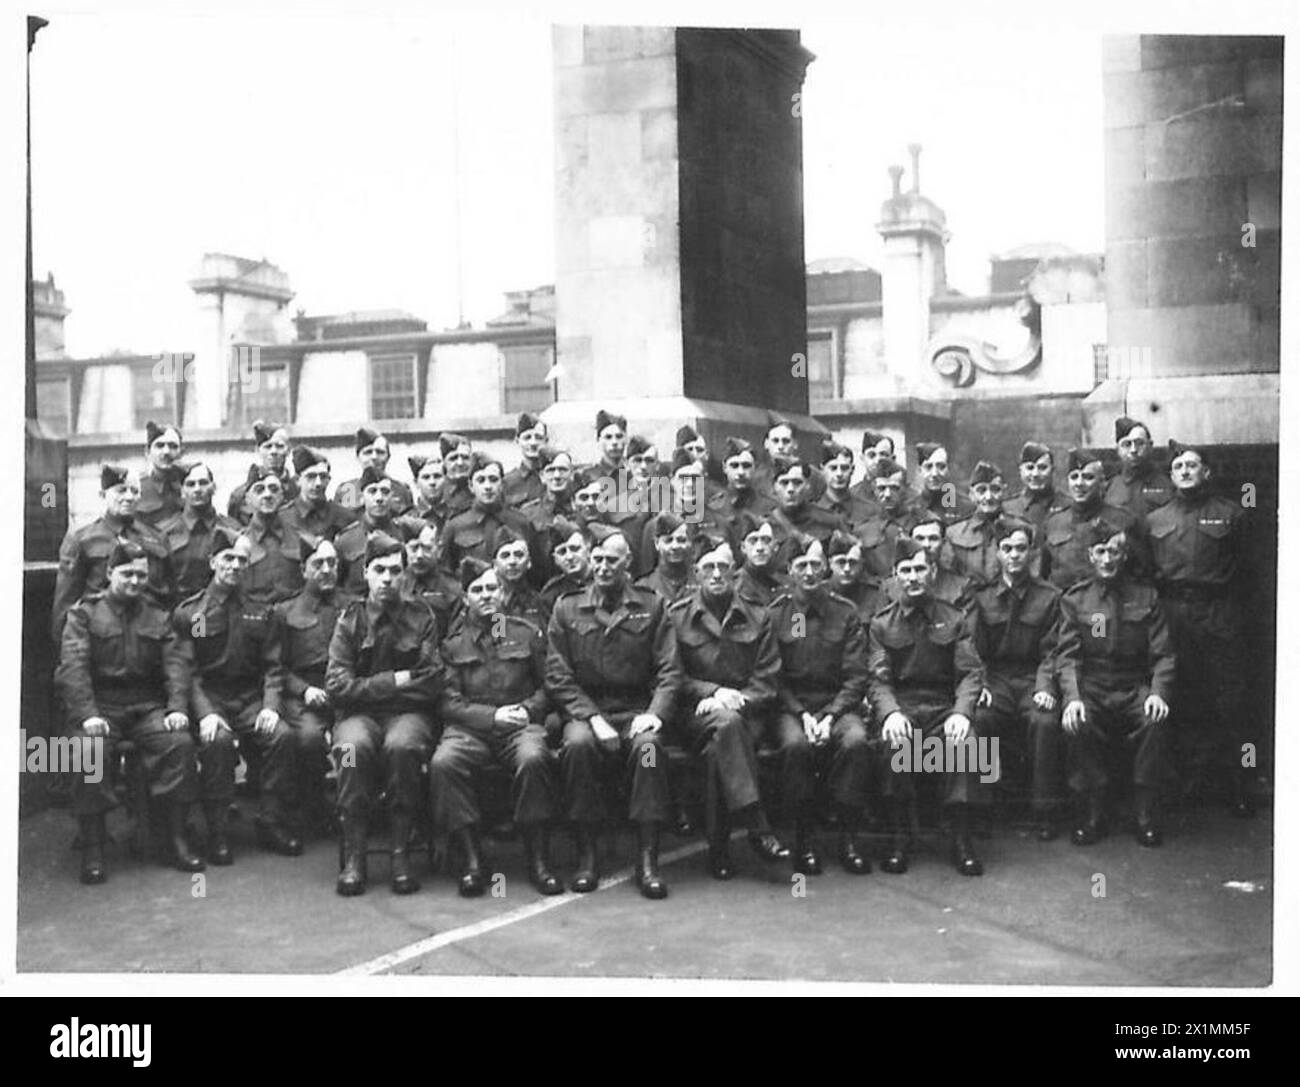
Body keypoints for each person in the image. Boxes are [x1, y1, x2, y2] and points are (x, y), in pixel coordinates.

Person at [55, 541, 204, 883]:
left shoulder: (158, 615)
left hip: (147, 706)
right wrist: (87, 714)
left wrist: (176, 708)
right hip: (101, 706)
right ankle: (93, 844)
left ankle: (176, 838)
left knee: (179, 743)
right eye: (128, 574)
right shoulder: (84, 614)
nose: (136, 582)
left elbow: (176, 666)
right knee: (86, 752)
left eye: (141, 575)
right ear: (110, 573)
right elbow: (73, 667)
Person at [545, 530, 681, 899]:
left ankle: (648, 857)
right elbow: (557, 675)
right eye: (599, 559)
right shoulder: (567, 607)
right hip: (586, 711)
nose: (604, 567)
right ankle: (587, 854)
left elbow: (669, 669)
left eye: (613, 561)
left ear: (628, 565)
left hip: (637, 708)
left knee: (649, 750)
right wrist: (592, 718)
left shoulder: (652, 606)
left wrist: (655, 714)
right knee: (577, 747)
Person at [432, 558, 563, 896]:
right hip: (470, 730)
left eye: (492, 588)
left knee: (534, 758)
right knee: (444, 763)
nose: (486, 595)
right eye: (477, 590)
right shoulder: (452, 644)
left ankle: (538, 859)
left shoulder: (525, 633)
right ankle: (474, 859)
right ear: (465, 598)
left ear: (504, 593)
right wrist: (491, 718)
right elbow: (448, 702)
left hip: (520, 727)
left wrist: (526, 710)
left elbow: (549, 685)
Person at [327, 532, 445, 896]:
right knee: (352, 750)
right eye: (379, 569)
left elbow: (432, 680)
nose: (387, 578)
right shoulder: (350, 619)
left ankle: (399, 854)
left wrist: (376, 687)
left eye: (395, 570)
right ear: (365, 573)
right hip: (357, 717)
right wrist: (395, 680)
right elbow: (336, 685)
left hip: (409, 714)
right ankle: (356, 857)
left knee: (403, 747)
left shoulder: (422, 615)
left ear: (405, 574)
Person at [172, 528, 298, 864]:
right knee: (218, 743)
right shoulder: (192, 613)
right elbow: (188, 670)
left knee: (282, 736)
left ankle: (270, 820)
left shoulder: (260, 611)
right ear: (213, 561)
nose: (235, 565)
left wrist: (271, 706)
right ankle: (217, 831)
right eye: (228, 558)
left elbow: (273, 665)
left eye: (242, 560)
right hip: (211, 699)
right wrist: (205, 713)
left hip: (249, 698)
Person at [668, 541, 788, 879]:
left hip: (748, 715)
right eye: (708, 568)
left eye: (723, 567)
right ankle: (756, 824)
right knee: (724, 727)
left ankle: (718, 851)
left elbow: (768, 676)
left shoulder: (759, 615)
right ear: (696, 573)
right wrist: (711, 692)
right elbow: (670, 675)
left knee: (718, 745)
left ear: (735, 573)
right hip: (693, 715)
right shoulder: (677, 617)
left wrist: (738, 699)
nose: (717, 574)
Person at [1146, 439, 1254, 816]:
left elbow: (1249, 571)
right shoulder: (1155, 520)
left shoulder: (1232, 514)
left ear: (1206, 472)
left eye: (1193, 465)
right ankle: (1185, 786)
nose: (1186, 472)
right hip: (1174, 615)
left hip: (1219, 614)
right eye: (1179, 467)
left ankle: (1241, 784)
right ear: (1171, 475)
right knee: (1180, 699)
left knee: (1230, 702)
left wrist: (1232, 616)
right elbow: (1148, 574)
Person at [869, 538, 986, 876]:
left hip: (942, 706)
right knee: (894, 743)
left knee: (967, 742)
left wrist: (962, 713)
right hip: (903, 706)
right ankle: (900, 837)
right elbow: (878, 679)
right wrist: (890, 712)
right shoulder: (881, 624)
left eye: (920, 568)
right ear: (894, 575)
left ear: (933, 572)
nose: (913, 577)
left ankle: (961, 838)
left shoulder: (955, 618)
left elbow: (970, 673)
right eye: (905, 570)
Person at [1059, 524, 1175, 847]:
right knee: (1076, 722)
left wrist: (1157, 693)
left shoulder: (1146, 595)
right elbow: (1067, 657)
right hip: (1092, 685)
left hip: (1132, 684)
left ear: (1124, 555)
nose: (1107, 558)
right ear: (1090, 556)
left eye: (1113, 551)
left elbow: (1164, 655)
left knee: (1154, 720)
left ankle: (1144, 813)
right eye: (1100, 551)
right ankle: (1093, 811)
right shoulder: (1075, 599)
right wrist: (1072, 697)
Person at [768, 539, 873, 874]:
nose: (810, 572)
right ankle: (804, 839)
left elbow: (856, 675)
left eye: (815, 564)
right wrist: (801, 715)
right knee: (795, 747)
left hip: (836, 705)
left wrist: (830, 715)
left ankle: (848, 837)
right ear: (789, 572)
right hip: (791, 707)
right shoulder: (776, 614)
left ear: (826, 567)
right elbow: (773, 676)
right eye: (801, 566)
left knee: (855, 742)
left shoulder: (845, 612)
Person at [969, 521, 1067, 839]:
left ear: (1032, 552)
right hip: (995, 678)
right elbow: (974, 651)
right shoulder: (982, 597)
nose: (1014, 555)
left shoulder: (1050, 597)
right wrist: (980, 685)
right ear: (997, 553)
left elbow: (1054, 651)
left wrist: (1045, 687)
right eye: (1007, 548)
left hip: (1032, 677)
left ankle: (1044, 811)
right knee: (980, 718)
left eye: (1021, 548)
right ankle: (982, 807)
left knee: (1045, 722)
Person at [274, 537, 347, 838]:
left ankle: (356, 804)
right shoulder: (285, 611)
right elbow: (275, 665)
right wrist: (304, 690)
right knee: (307, 739)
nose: (326, 570)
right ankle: (315, 804)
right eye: (318, 564)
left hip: (347, 693)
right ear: (304, 570)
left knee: (353, 746)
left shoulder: (353, 606)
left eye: (332, 564)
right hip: (305, 694)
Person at [53, 465, 173, 643]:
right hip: (102, 638)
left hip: (150, 637)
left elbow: (170, 595)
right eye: (121, 491)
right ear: (103, 495)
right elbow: (65, 604)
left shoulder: (157, 538)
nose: (129, 497)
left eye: (134, 491)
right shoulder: (82, 539)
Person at [1041, 449, 1143, 590]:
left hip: (1106, 602)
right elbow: (1044, 573)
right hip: (1065, 605)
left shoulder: (1123, 521)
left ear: (1102, 483)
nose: (1079, 483)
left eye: (1088, 477)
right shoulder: (1054, 522)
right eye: (1074, 477)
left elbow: (1140, 571)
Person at [436, 453, 535, 578]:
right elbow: (445, 573)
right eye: (481, 480)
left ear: (502, 485)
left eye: (493, 480)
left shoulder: (521, 522)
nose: (488, 486)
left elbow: (536, 571)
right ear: (471, 486)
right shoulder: (455, 527)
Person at [157, 461, 241, 600]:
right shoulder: (165, 532)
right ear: (182, 491)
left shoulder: (233, 529)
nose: (197, 489)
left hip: (223, 608)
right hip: (181, 611)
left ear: (214, 487)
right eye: (190, 484)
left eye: (203, 483)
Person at [335, 468, 425, 597]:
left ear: (392, 496)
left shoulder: (406, 533)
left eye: (385, 492)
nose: (379, 498)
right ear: (362, 496)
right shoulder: (345, 540)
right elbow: (338, 587)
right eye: (372, 491)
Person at [941, 462, 1030, 589]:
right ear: (971, 495)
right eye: (981, 490)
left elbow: (1031, 577)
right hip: (969, 602)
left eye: (995, 489)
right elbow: (950, 579)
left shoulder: (1022, 530)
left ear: (1005, 492)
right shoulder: (954, 534)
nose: (988, 497)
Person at [239, 466, 318, 605]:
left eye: (274, 489)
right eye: (259, 490)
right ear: (247, 499)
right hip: (255, 618)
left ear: (282, 496)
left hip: (294, 617)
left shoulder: (303, 539)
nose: (267, 495)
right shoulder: (240, 544)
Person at [884, 514, 975, 610]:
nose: (926, 545)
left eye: (933, 539)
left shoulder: (960, 587)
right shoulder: (889, 588)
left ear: (943, 543)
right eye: (919, 538)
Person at [704, 437, 775, 551]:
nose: (741, 472)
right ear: (724, 468)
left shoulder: (770, 507)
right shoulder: (714, 507)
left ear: (755, 468)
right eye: (734, 466)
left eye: (746, 466)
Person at [768, 460, 844, 566]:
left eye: (797, 483)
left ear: (807, 486)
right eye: (784, 483)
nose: (790, 489)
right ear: (774, 487)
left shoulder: (830, 521)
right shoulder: (764, 522)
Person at [399, 522, 464, 637]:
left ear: (438, 549)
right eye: (414, 548)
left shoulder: (452, 589)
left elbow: (456, 633)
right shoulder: (395, 584)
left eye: (427, 548)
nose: (419, 555)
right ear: (405, 549)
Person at [854, 457, 914, 578]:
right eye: (881, 488)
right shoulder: (862, 530)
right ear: (874, 490)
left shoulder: (919, 524)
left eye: (894, 488)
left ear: (905, 490)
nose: (887, 495)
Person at [227, 420, 297, 523]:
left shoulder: (297, 491)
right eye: (268, 447)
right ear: (258, 450)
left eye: (279, 446)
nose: (273, 452)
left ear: (288, 450)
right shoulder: (240, 495)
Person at [281, 446, 357, 540]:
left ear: (329, 480)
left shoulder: (345, 517)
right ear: (297, 480)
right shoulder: (283, 517)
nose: (318, 483)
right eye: (311, 476)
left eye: (323, 476)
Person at [1105, 416, 1174, 519]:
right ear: (1117, 450)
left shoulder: (1168, 484)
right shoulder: (1109, 487)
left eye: (1139, 443)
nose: (1133, 450)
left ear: (1150, 446)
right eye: (1127, 444)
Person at [333, 428, 414, 515]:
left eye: (380, 452)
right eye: (368, 452)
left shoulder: (401, 489)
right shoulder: (347, 489)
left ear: (388, 457)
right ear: (358, 457)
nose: (374, 457)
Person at [1004, 441, 1068, 533]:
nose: (1035, 474)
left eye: (1042, 467)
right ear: (1020, 471)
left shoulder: (1067, 506)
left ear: (1053, 470)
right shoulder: (1008, 509)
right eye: (1030, 468)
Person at [636, 512, 700, 604]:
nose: (675, 546)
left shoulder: (701, 581)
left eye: (681, 540)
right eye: (668, 540)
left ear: (691, 543)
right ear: (657, 544)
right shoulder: (644, 587)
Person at [492, 525, 548, 628]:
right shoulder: (489, 603)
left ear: (529, 562)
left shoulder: (541, 602)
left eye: (519, 555)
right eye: (505, 556)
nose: (512, 562)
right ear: (495, 564)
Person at [826, 530, 886, 625]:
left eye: (852, 563)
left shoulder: (875, 595)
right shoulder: (817, 593)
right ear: (830, 564)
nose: (847, 569)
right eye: (841, 562)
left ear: (861, 565)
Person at [911, 442, 974, 529]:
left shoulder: (965, 507)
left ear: (949, 469)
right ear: (919, 471)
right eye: (928, 467)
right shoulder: (912, 507)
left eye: (941, 466)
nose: (934, 473)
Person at [816, 439, 876, 528]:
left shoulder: (870, 511)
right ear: (822, 469)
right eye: (833, 468)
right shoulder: (813, 513)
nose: (839, 474)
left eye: (844, 468)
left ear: (852, 470)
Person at [136, 421, 185, 527]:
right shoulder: (137, 488)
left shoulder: (191, 484)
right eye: (160, 446)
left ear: (181, 452)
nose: (166, 451)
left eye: (173, 446)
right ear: (147, 452)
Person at [539, 518, 593, 613]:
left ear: (588, 550)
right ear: (555, 560)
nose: (569, 557)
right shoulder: (551, 593)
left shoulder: (606, 579)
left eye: (575, 549)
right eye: (562, 552)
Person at [733, 515, 786, 607]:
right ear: (743, 548)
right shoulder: (736, 587)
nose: (760, 548)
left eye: (766, 540)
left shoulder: (785, 582)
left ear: (776, 546)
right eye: (753, 541)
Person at [503, 412, 549, 509]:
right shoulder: (507, 482)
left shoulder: (554, 477)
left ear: (546, 441)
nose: (533, 443)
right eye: (527, 438)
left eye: (539, 438)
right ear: (517, 441)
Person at [848, 429, 896, 510]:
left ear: (893, 459)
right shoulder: (850, 497)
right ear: (862, 458)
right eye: (872, 455)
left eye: (883, 455)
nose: (877, 460)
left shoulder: (907, 496)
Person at [434, 433, 475, 522]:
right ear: (444, 463)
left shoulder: (479, 489)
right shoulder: (436, 491)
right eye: (453, 458)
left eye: (465, 457)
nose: (460, 463)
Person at [408, 452, 446, 526]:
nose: (432, 482)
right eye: (426, 477)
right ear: (416, 483)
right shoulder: (408, 519)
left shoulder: (457, 514)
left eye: (437, 476)